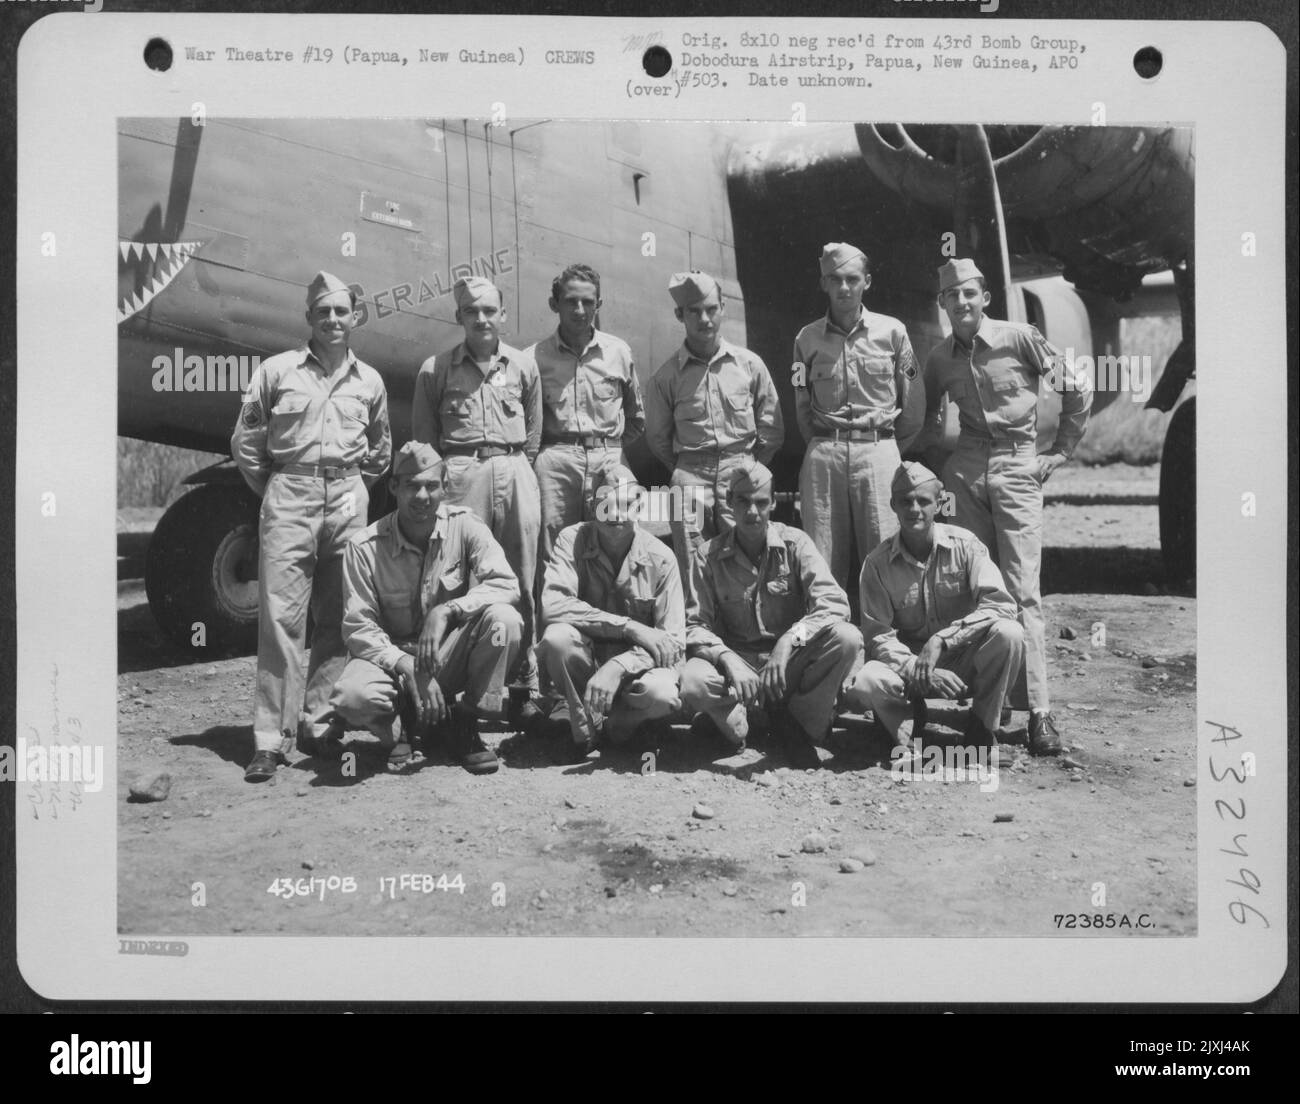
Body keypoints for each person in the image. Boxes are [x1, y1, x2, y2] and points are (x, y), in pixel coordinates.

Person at [922, 258, 1092, 756]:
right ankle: (988, 711)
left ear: (985, 297)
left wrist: (1058, 453)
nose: (962, 303)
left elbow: (1075, 389)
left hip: (1018, 466)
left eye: (969, 294)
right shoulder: (939, 358)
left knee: (1022, 591)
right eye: (952, 297)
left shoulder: (1021, 338)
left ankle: (1039, 712)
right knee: (976, 588)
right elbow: (930, 420)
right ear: (944, 305)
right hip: (967, 468)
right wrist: (938, 471)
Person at [233, 270, 392, 783]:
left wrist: (349, 487)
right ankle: (269, 740)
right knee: (280, 619)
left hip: (348, 495)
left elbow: (381, 449)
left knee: (340, 614)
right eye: (322, 312)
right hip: (290, 494)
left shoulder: (369, 380)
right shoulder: (276, 372)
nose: (332, 320)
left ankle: (320, 722)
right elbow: (247, 441)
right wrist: (282, 490)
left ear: (354, 318)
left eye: (341, 311)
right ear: (308, 319)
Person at [329, 442, 522, 775]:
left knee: (505, 621)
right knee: (351, 697)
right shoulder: (363, 547)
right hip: (393, 664)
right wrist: (407, 666)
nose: (422, 496)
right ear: (393, 487)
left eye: (431, 486)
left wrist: (448, 611)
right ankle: (404, 721)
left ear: (445, 488)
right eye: (411, 486)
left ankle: (462, 721)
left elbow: (507, 584)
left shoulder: (465, 525)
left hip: (445, 656)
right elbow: (358, 627)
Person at [411, 275, 543, 725]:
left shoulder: (524, 366)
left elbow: (535, 433)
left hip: (514, 467)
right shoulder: (436, 369)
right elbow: (425, 446)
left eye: (490, 310)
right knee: (458, 580)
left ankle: (523, 686)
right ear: (459, 317)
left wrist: (514, 467)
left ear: (503, 315)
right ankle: (453, 687)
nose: (482, 319)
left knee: (523, 577)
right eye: (472, 311)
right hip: (461, 475)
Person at [679, 460, 861, 769]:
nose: (752, 511)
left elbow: (834, 603)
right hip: (738, 671)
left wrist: (792, 638)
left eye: (761, 502)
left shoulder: (795, 544)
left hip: (786, 667)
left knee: (847, 638)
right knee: (693, 679)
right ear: (729, 503)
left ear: (774, 503)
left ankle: (798, 723)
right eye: (743, 501)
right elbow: (695, 625)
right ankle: (740, 723)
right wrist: (727, 658)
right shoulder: (707, 556)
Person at [845, 462, 1024, 757]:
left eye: (923, 501)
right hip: (909, 667)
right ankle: (908, 724)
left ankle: (981, 727)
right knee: (866, 680)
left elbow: (1001, 605)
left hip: (962, 662)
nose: (914, 509)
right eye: (905, 501)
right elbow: (878, 637)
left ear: (939, 504)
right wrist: (917, 667)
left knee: (1010, 633)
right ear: (892, 505)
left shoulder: (966, 546)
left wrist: (942, 640)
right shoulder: (876, 564)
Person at [793, 243, 924, 618]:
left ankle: (886, 642)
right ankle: (829, 640)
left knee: (885, 550)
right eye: (835, 279)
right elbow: (802, 404)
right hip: (825, 453)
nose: (844, 287)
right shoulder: (806, 340)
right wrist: (824, 445)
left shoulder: (893, 333)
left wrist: (886, 448)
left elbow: (912, 403)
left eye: (852, 279)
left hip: (878, 452)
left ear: (867, 281)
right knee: (820, 556)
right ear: (823, 283)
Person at [644, 271, 783, 595]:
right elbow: (658, 438)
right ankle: (699, 637)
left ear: (723, 307)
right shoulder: (667, 377)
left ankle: (749, 635)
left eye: (711, 309)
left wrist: (751, 467)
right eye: (694, 311)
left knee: (748, 559)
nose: (704, 319)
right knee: (694, 566)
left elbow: (771, 427)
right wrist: (687, 469)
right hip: (691, 476)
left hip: (742, 470)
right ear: (680, 315)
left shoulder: (749, 365)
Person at [537, 464, 684, 761]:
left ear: (640, 506)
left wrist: (617, 666)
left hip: (635, 674)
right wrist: (629, 626)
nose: (616, 513)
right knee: (556, 639)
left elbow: (674, 641)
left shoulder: (662, 558)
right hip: (587, 671)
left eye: (626, 504)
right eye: (606, 504)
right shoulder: (571, 540)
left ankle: (622, 724)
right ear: (592, 507)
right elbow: (553, 605)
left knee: (663, 692)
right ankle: (587, 730)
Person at [528, 263, 644, 566]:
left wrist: (608, 447)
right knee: (552, 552)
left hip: (609, 458)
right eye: (570, 301)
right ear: (555, 305)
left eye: (588, 302)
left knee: (618, 545)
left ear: (599, 305)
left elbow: (636, 417)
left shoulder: (619, 352)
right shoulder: (533, 358)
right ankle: (555, 612)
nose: (579, 310)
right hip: (556, 463)